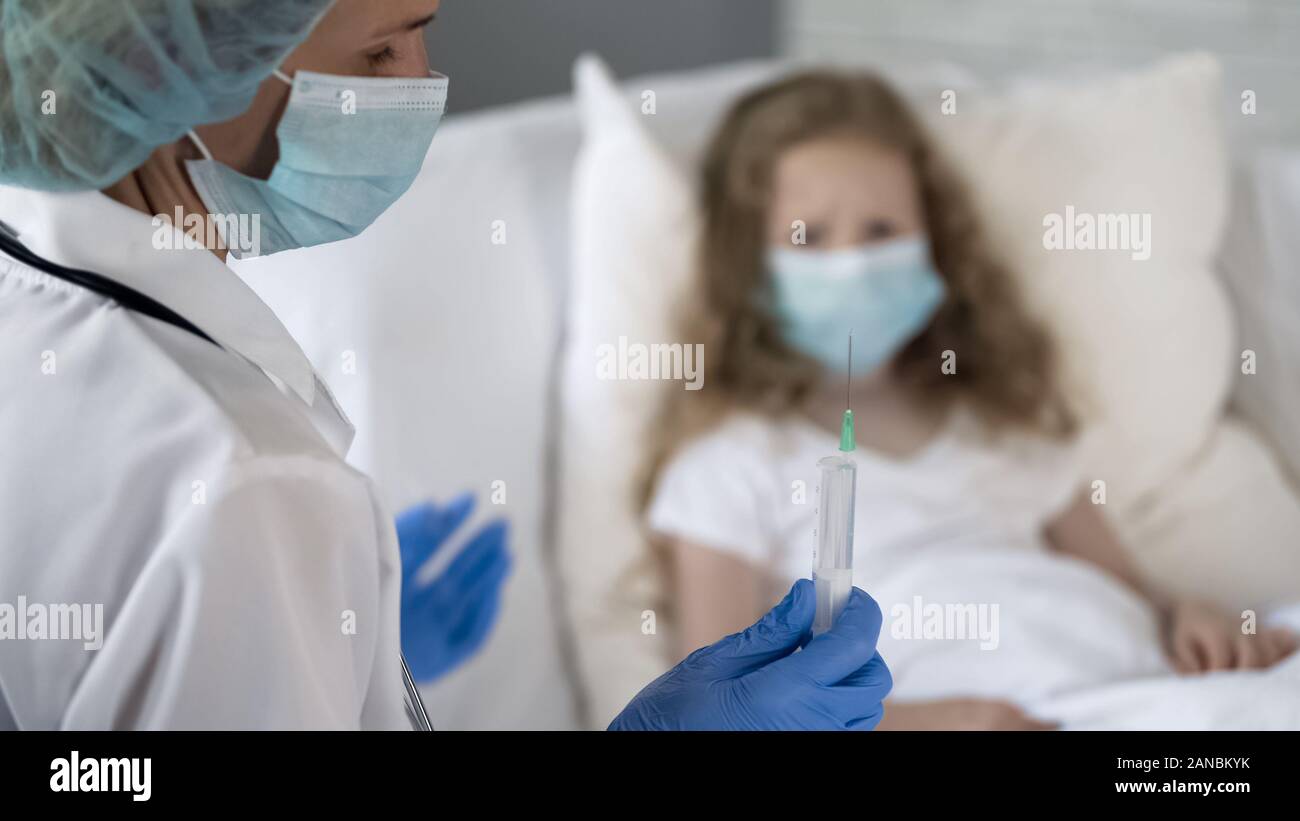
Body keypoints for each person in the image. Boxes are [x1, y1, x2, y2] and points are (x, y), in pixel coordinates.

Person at [0, 0, 890, 730]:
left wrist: (357, 660)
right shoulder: (245, 485)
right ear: (169, 67)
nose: (422, 84)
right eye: (381, 50)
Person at [641, 71, 1298, 730]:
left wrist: (1189, 616)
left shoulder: (1002, 423)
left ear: (936, 243)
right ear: (746, 263)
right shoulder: (730, 466)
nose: (853, 264)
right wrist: (953, 721)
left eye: (881, 230)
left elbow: (1135, 591)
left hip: (1146, 687)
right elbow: (725, 710)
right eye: (809, 236)